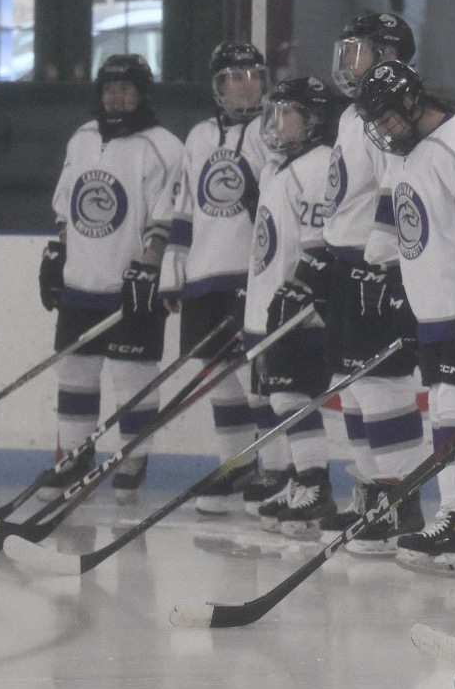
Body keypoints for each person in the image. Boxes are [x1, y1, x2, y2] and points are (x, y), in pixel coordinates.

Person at [337, 62, 455, 574]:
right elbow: (397, 216)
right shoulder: (404, 151)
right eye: (377, 123)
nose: (384, 130)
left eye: (389, 117)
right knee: (443, 413)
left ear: (413, 102)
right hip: (431, 310)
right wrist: (383, 268)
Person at [299, 12, 428, 552]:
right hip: (346, 266)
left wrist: (384, 261)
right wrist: (323, 256)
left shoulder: (392, 112)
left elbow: (397, 187)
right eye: (346, 51)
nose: (348, 63)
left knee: (383, 388)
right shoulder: (352, 115)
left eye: (360, 52)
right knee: (350, 388)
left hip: (375, 269)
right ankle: (372, 493)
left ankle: (402, 501)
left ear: (389, 56)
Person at [36, 53, 183, 502]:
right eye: (109, 89)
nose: (116, 98)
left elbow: (168, 216)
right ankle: (74, 457)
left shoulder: (163, 146)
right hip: (81, 282)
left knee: (131, 374)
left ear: (142, 94)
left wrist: (151, 266)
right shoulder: (82, 138)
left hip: (133, 286)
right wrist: (59, 252)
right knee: (74, 373)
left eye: (126, 89)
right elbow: (67, 205)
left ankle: (133, 458)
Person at [162, 40, 278, 516]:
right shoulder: (198, 137)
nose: (243, 86)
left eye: (251, 76)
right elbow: (184, 208)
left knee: (259, 380)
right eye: (232, 78)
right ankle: (238, 465)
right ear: (218, 87)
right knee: (218, 378)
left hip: (253, 276)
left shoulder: (274, 130)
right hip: (205, 275)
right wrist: (173, 275)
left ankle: (275, 472)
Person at [247, 76, 348, 534]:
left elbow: (320, 242)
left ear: (313, 121)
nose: (277, 121)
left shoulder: (320, 165)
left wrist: (300, 289)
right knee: (279, 397)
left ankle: (315, 486)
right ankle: (298, 481)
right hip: (273, 305)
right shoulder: (276, 168)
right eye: (275, 111)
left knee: (294, 396)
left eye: (287, 113)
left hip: (304, 310)